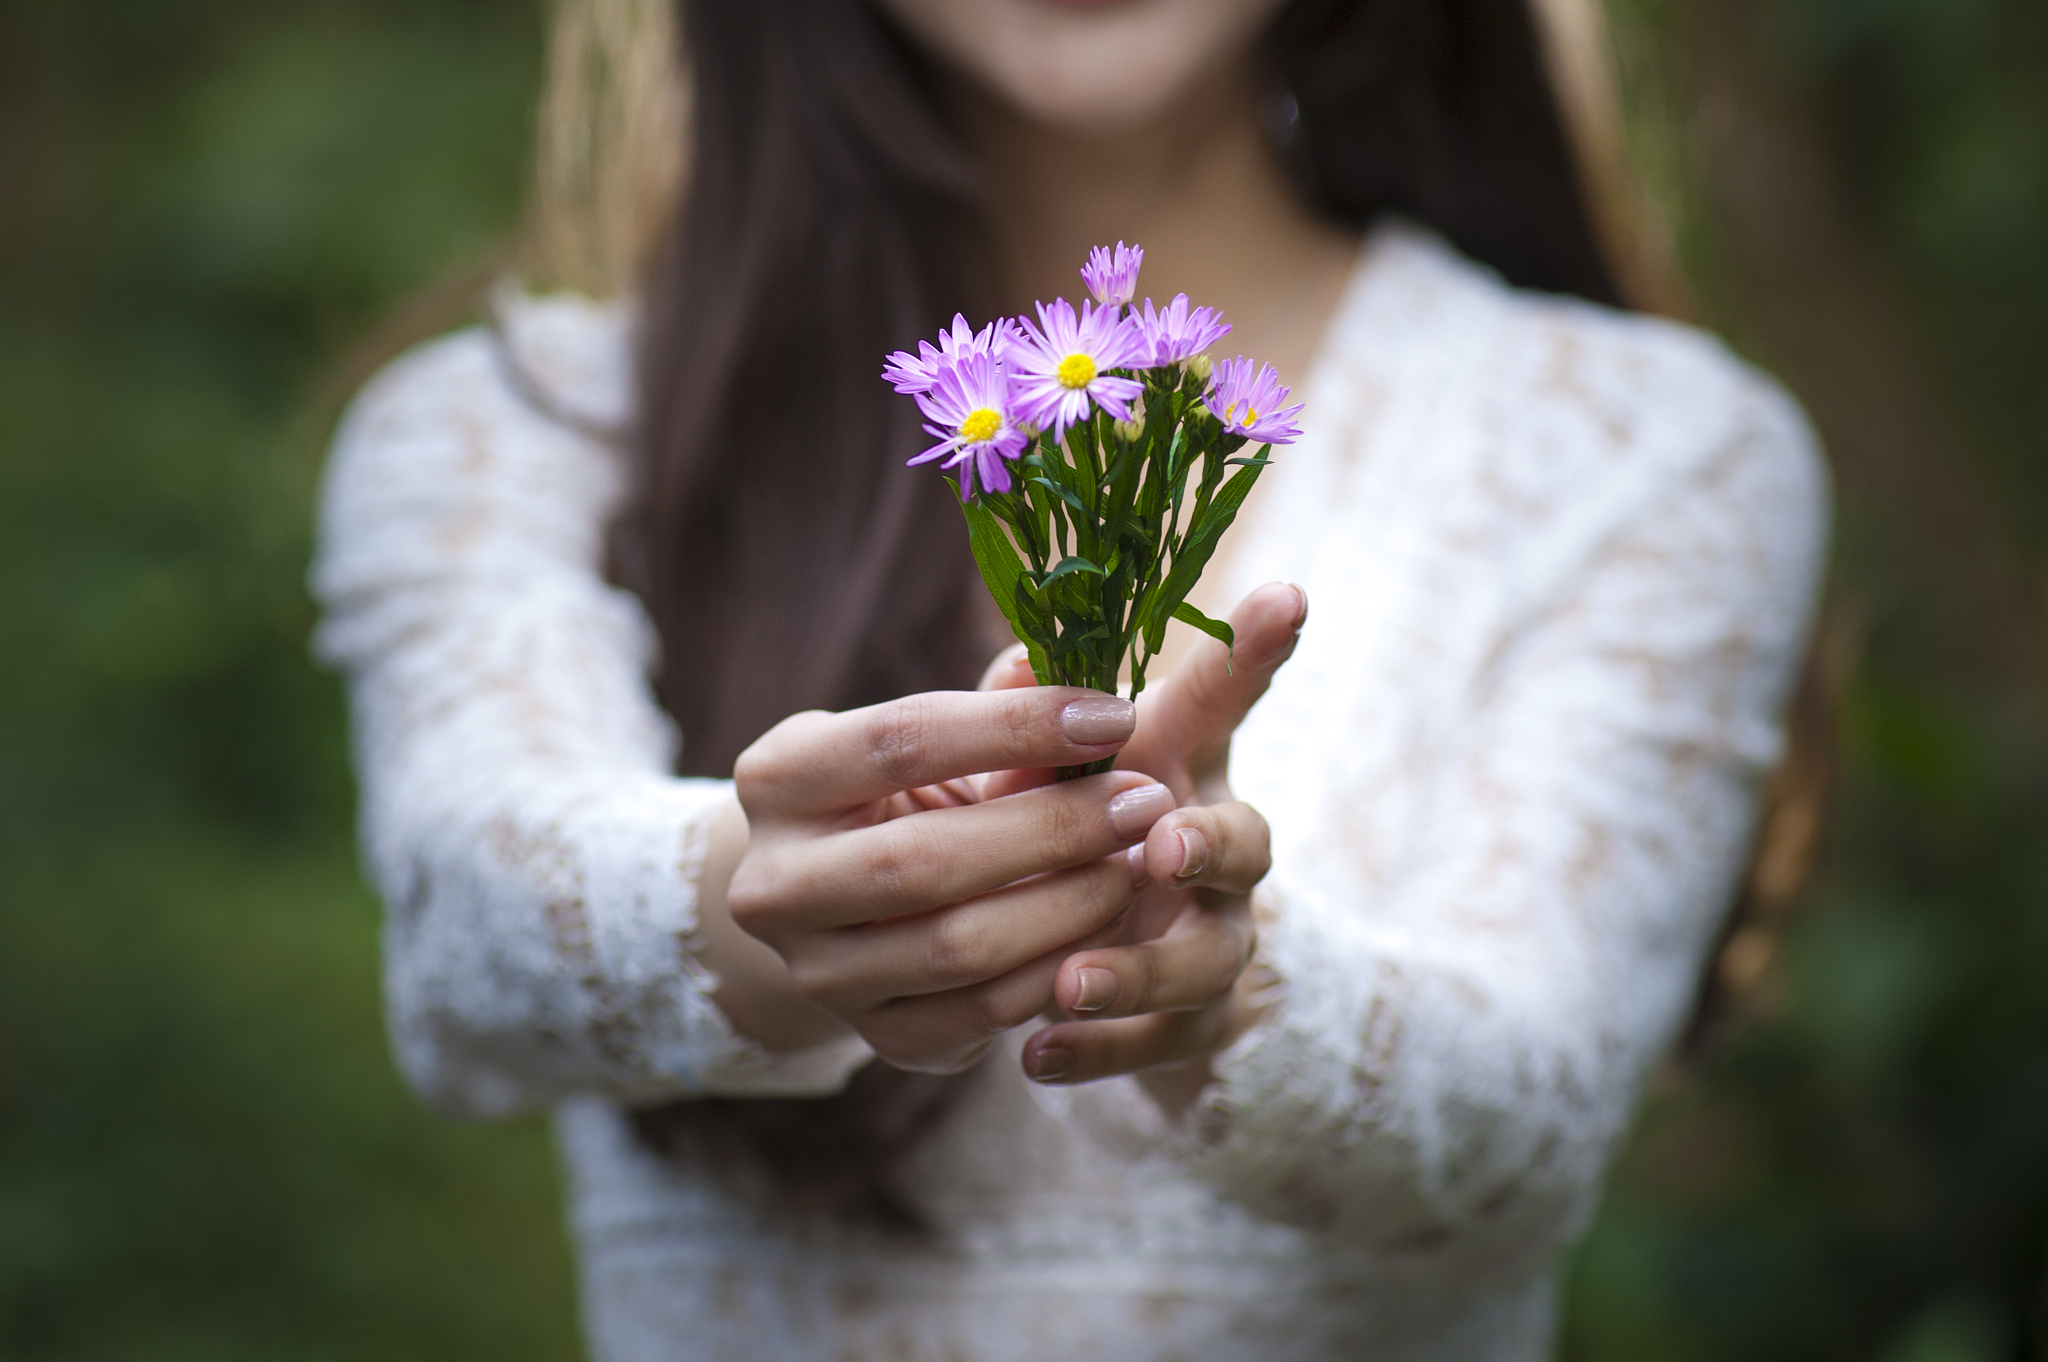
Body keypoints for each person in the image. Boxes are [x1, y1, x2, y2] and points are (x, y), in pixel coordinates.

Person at [311, 0, 1829, 1356]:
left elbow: (1535, 1110)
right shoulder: (511, 434)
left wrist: (1231, 984)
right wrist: (766, 891)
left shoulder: (1652, 451)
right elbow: (464, 936)